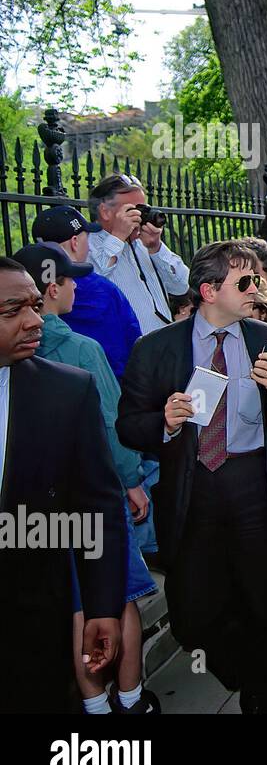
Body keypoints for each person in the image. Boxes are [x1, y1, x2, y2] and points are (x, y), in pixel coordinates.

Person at [117, 240, 267, 713]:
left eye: (259, 278)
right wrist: (165, 420)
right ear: (208, 290)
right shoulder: (156, 349)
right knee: (196, 616)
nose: (258, 289)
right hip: (191, 490)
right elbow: (128, 425)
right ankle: (252, 667)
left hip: (257, 487)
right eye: (246, 282)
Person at [15, 243, 158, 714]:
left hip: (42, 523)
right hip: (96, 500)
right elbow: (113, 424)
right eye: (71, 280)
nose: (79, 286)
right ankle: (131, 698)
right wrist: (132, 479)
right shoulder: (80, 350)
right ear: (53, 288)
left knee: (77, 605)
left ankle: (92, 704)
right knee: (119, 598)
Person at [0, 257, 127, 712]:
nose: (35, 321)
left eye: (35, 305)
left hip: (31, 625)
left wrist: (101, 607)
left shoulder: (67, 391)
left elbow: (96, 509)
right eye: (13, 310)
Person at [32, 205, 142, 379]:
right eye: (87, 239)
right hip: (112, 382)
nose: (89, 247)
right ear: (75, 242)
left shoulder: (29, 287)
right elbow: (134, 340)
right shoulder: (102, 289)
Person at [86, 173, 190, 335]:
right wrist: (118, 237)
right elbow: (92, 285)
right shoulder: (88, 245)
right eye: (132, 210)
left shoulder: (143, 243)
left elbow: (181, 285)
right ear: (105, 212)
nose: (140, 216)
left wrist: (156, 247)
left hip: (163, 344)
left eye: (143, 209)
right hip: (126, 352)